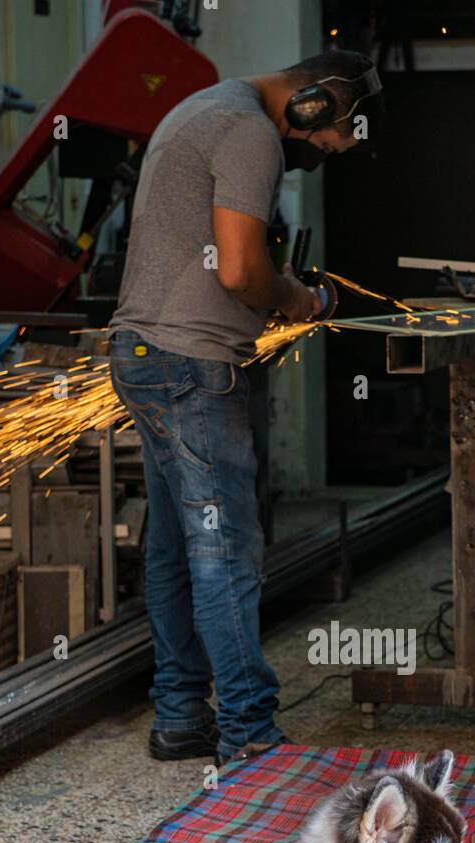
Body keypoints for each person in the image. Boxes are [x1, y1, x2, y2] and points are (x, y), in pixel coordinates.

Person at [109, 51, 384, 762]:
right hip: (192, 367)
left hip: (144, 355)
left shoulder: (203, 105)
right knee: (225, 548)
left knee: (175, 544)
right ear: (316, 101)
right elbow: (238, 270)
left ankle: (178, 715)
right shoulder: (249, 135)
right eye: (326, 138)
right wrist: (302, 299)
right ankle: (251, 735)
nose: (317, 149)